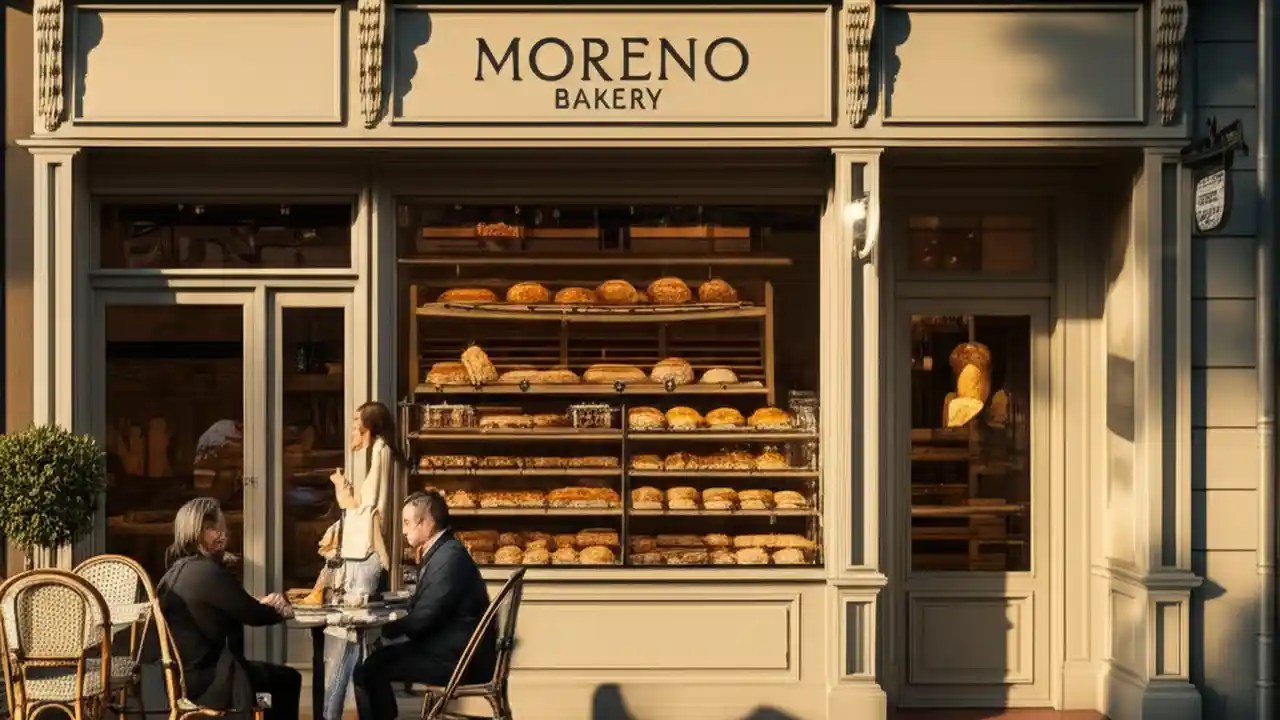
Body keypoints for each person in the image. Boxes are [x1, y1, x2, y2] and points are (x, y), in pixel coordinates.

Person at [353, 491, 495, 720]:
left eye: (408, 523)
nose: (403, 530)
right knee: (374, 663)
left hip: (459, 661)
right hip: (453, 651)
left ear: (427, 523)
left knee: (368, 670)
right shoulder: (444, 552)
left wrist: (386, 630)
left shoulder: (449, 557)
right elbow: (427, 611)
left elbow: (424, 619)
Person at [156, 497, 300, 720]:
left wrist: (260, 604)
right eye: (212, 529)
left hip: (179, 681)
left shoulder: (174, 573)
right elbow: (253, 614)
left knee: (269, 682)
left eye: (221, 527)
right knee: (286, 681)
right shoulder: (208, 573)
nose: (221, 534)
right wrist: (279, 609)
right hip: (212, 684)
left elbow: (233, 603)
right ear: (195, 533)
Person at [322, 401, 405, 720]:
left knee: (348, 635)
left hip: (365, 554)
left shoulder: (381, 452)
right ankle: (378, 711)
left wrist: (345, 496)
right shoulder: (380, 453)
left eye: (357, 419)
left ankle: (331, 713)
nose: (353, 425)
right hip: (369, 553)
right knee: (365, 638)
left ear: (370, 423)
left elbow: (369, 512)